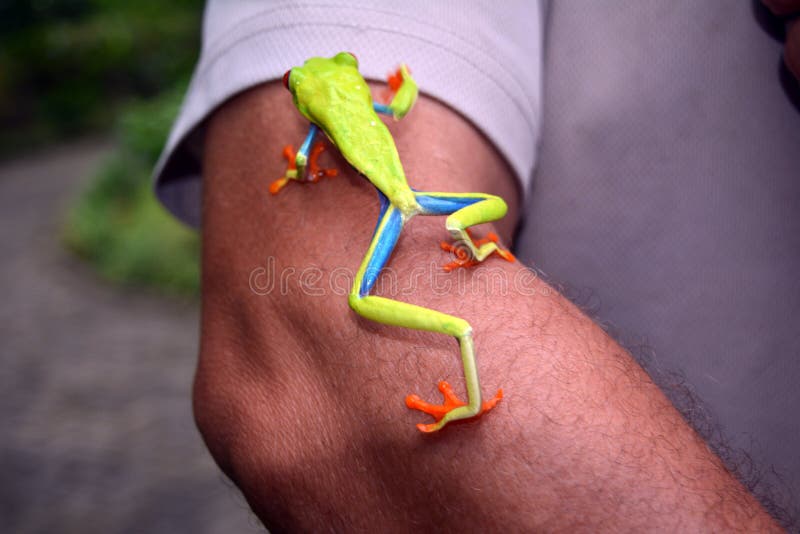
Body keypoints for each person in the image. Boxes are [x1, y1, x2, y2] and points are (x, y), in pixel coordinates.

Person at [154, 1, 799, 530]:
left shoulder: (316, 119)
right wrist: (398, 95)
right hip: (429, 199)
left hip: (394, 208)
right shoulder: (358, 102)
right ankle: (470, 247)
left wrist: (299, 168)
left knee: (357, 299)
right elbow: (385, 113)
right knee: (448, 234)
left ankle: (463, 364)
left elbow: (319, 145)